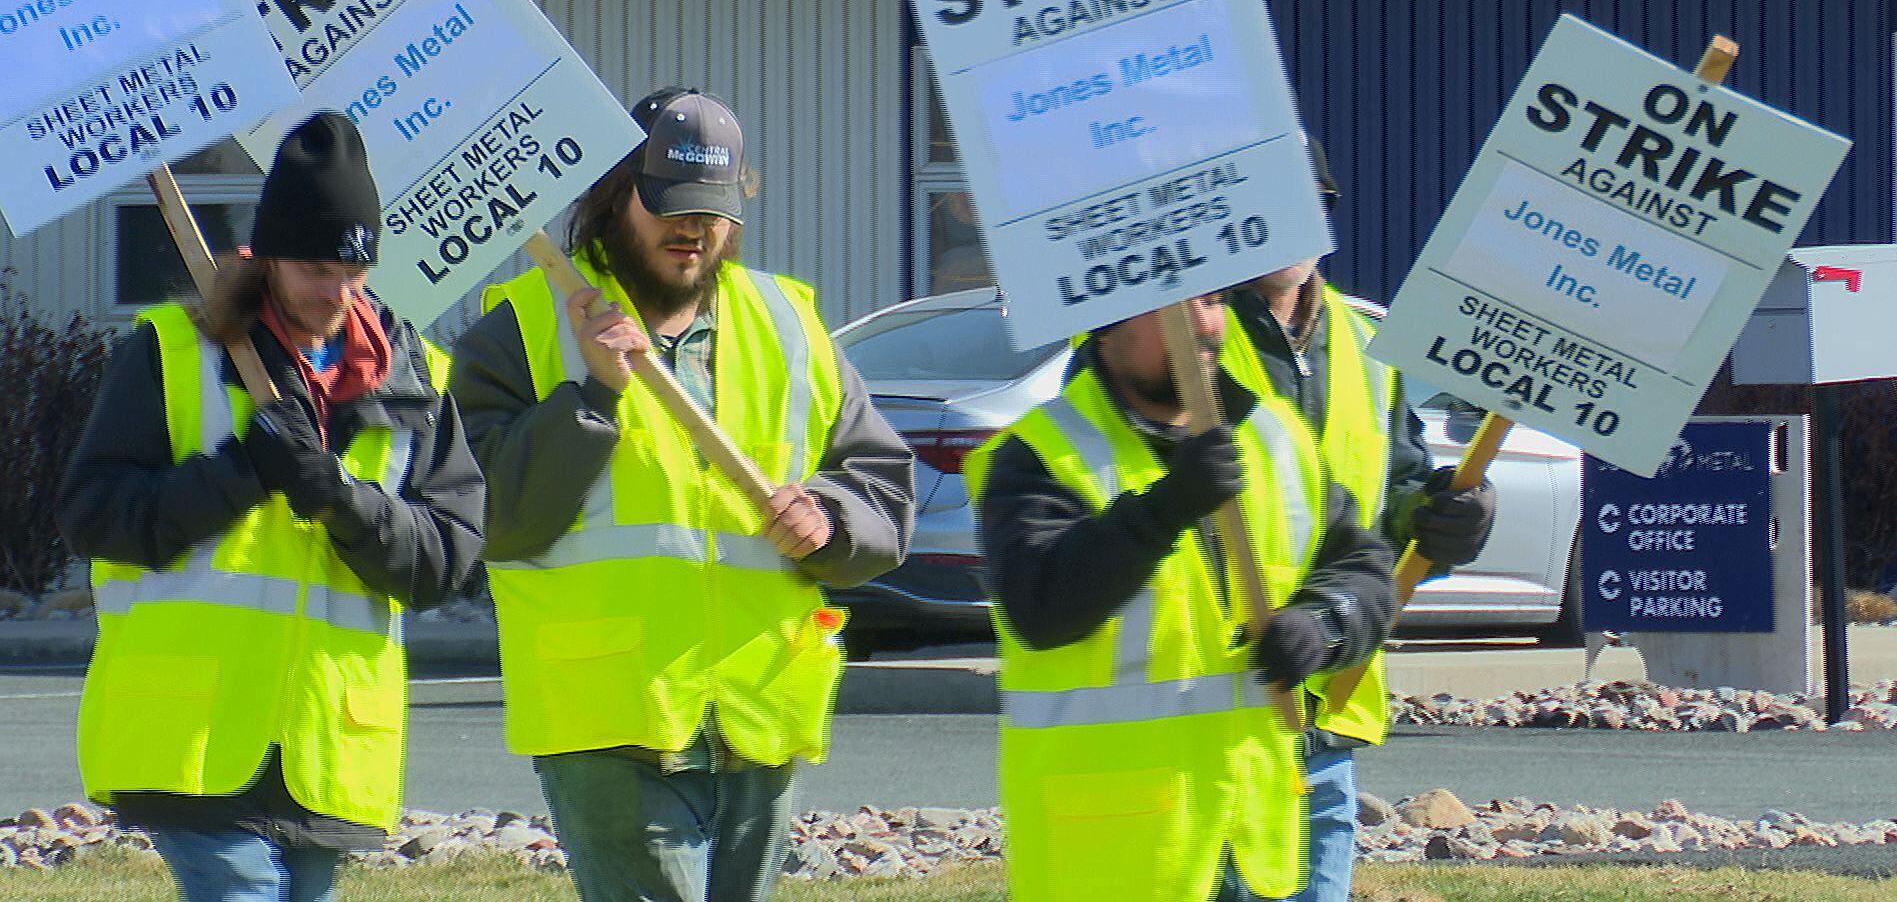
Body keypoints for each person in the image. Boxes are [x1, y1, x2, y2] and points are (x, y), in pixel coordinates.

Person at [451, 88, 914, 902]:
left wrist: (831, 521)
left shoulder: (788, 323)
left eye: (713, 210)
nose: (693, 231)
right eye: (667, 205)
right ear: (611, 193)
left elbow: (884, 492)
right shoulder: (519, 329)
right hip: (609, 717)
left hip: (759, 713)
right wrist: (591, 399)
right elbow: (494, 522)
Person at [56, 112, 487, 902]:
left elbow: (446, 562)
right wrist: (244, 467)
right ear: (267, 255)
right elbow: (95, 516)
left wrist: (343, 502)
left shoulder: (415, 377)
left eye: (354, 272)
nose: (336, 292)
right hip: (192, 737)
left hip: (329, 749)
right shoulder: (174, 352)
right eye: (316, 268)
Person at [970, 293, 1397, 902]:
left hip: (1255, 836)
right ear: (1105, 327)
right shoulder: (1042, 454)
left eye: (1215, 300)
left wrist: (1323, 624)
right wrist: (1163, 510)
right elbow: (1043, 608)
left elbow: (1362, 566)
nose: (1200, 324)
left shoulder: (1273, 433)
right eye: (1167, 306)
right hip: (1116, 847)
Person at [1222, 138, 1498, 902]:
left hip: (1329, 706)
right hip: (1212, 712)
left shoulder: (1366, 345)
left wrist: (1442, 513)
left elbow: (1396, 490)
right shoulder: (1178, 342)